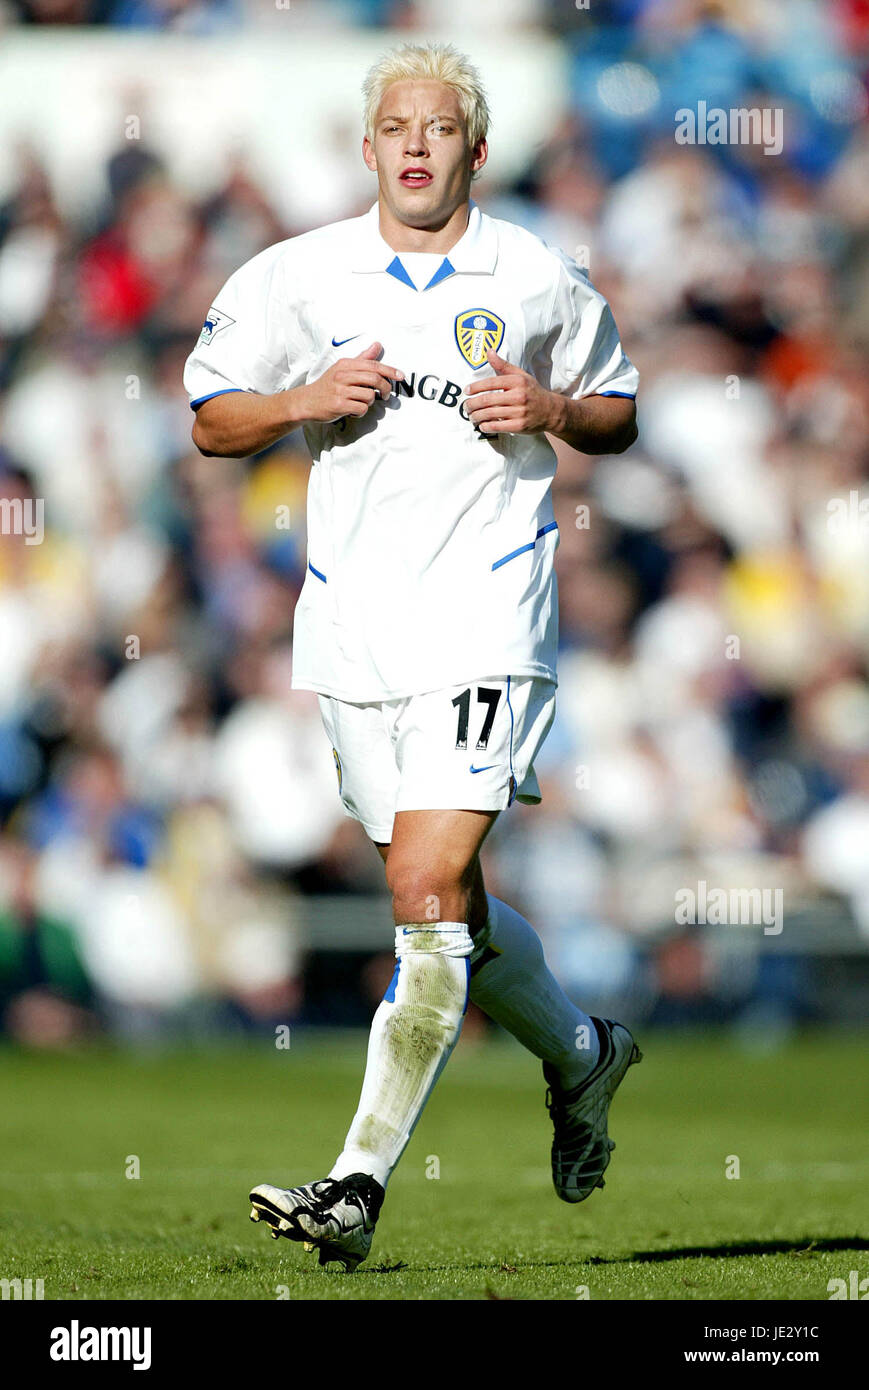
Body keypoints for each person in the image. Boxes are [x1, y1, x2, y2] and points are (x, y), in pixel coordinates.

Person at [184, 41, 641, 1272]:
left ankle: (355, 1185)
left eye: (441, 127)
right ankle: (585, 1056)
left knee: (422, 899)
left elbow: (618, 403)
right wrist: (302, 401)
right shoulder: (299, 275)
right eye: (397, 127)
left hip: (489, 612)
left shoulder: (534, 272)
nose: (418, 144)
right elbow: (212, 414)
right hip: (351, 630)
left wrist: (549, 409)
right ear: (369, 146)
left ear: (474, 150)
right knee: (451, 915)